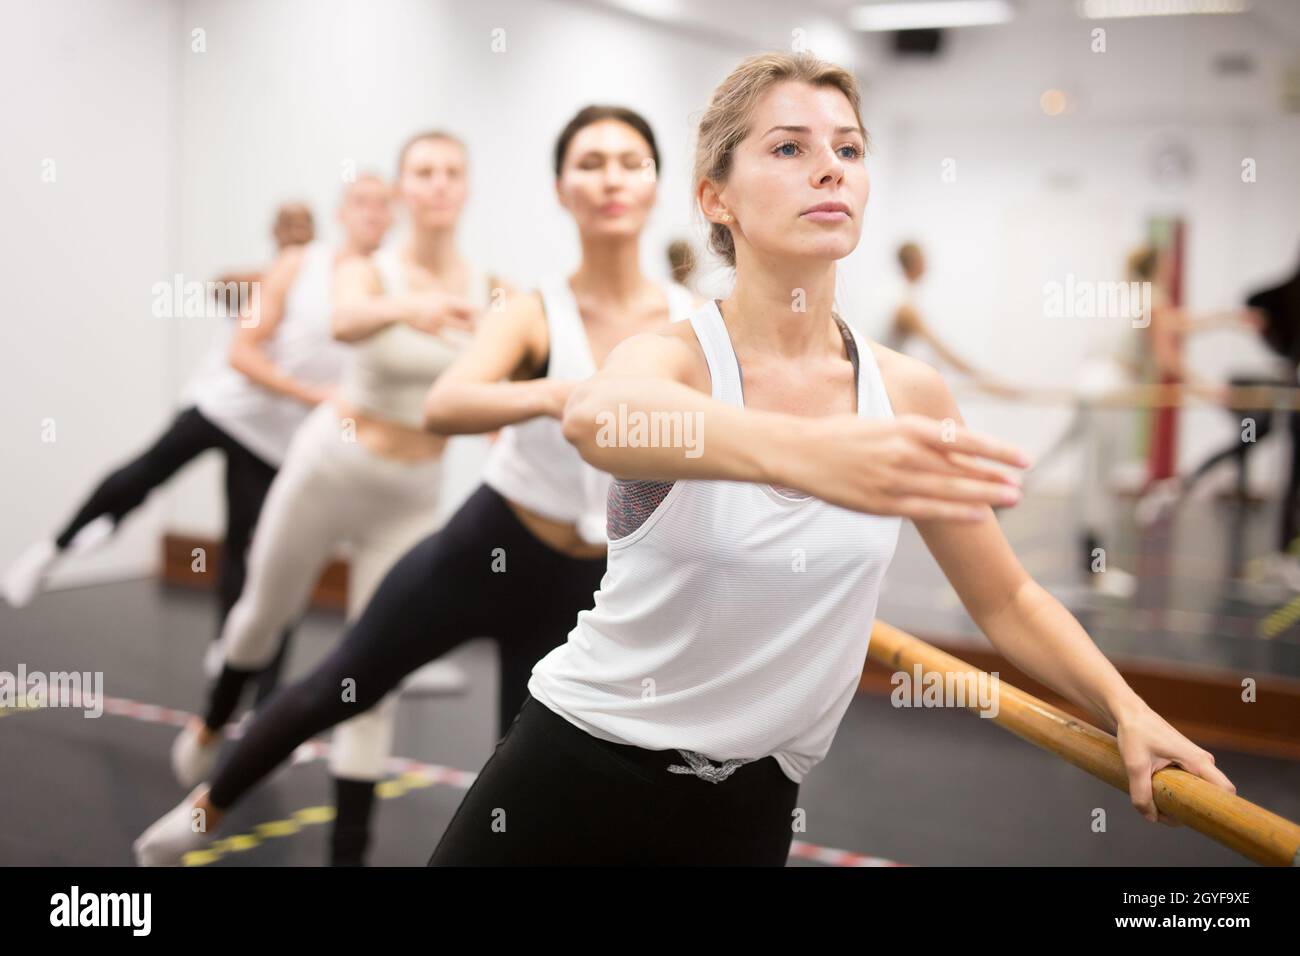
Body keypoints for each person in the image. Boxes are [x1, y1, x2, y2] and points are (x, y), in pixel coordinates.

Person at [423, 51, 1237, 866]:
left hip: (749, 807)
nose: (830, 171)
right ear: (717, 197)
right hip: (574, 769)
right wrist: (808, 452)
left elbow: (1009, 599)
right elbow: (601, 418)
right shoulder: (674, 358)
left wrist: (1125, 709)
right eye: (789, 148)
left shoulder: (908, 394)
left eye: (848, 150)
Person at [133, 107, 697, 866]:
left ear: (657, 183)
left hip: (584, 577)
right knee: (342, 683)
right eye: (590, 163)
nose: (610, 179)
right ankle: (204, 811)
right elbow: (448, 402)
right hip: (490, 540)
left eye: (630, 161)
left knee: (521, 766)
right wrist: (552, 395)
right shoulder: (533, 310)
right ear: (562, 188)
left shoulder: (688, 323)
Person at [2, 198, 355, 702]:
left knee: (246, 543)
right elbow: (224, 286)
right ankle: (54, 547)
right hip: (218, 409)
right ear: (274, 232)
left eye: (303, 225)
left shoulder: (335, 289)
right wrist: (268, 284)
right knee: (143, 475)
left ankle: (227, 646)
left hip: (270, 439)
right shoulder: (270, 279)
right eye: (286, 225)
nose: (295, 232)